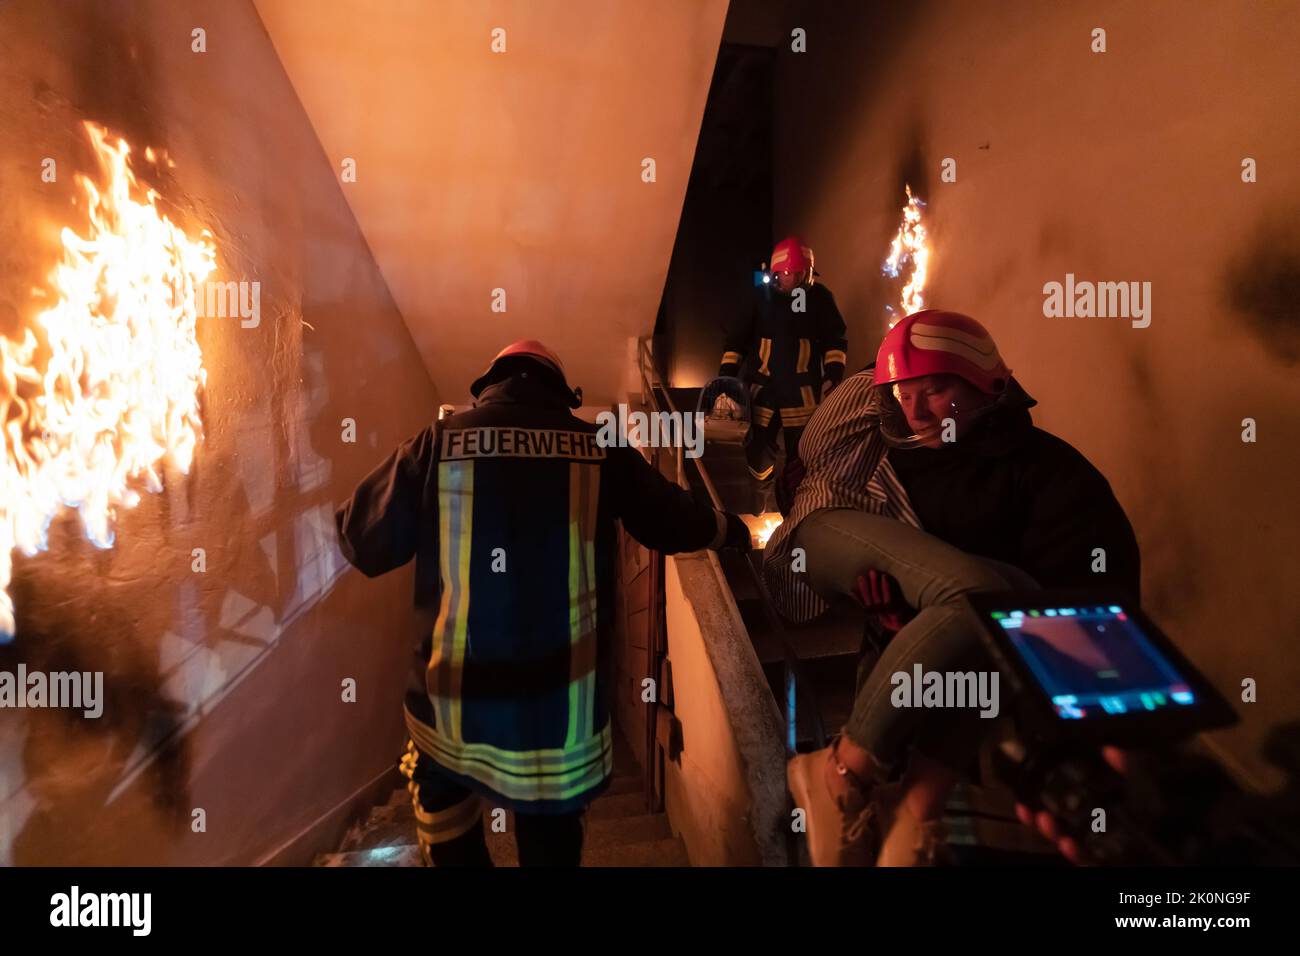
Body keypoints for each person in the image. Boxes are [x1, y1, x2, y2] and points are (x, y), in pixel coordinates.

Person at [335, 340, 751, 867]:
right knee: (550, 852)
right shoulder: (599, 447)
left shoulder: (437, 443)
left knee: (450, 841)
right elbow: (670, 517)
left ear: (488, 385)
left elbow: (360, 540)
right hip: (559, 726)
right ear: (563, 392)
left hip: (449, 717)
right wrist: (730, 530)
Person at [766, 309, 1141, 866]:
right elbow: (821, 443)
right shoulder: (872, 441)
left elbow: (1089, 611)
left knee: (1005, 617)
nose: (914, 411)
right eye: (903, 394)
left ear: (987, 382)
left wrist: (904, 619)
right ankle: (841, 772)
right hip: (823, 550)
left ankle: (913, 822)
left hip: (974, 664)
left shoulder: (1057, 478)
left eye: (936, 390)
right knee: (992, 599)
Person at [716, 236, 848, 512]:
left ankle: (796, 509)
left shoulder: (821, 299)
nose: (794, 279)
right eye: (788, 273)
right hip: (762, 391)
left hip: (803, 394)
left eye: (800, 273)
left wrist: (834, 373)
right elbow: (736, 342)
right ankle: (760, 498)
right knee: (759, 452)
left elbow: (834, 340)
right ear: (776, 274)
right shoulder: (758, 298)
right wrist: (726, 378)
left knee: (802, 455)